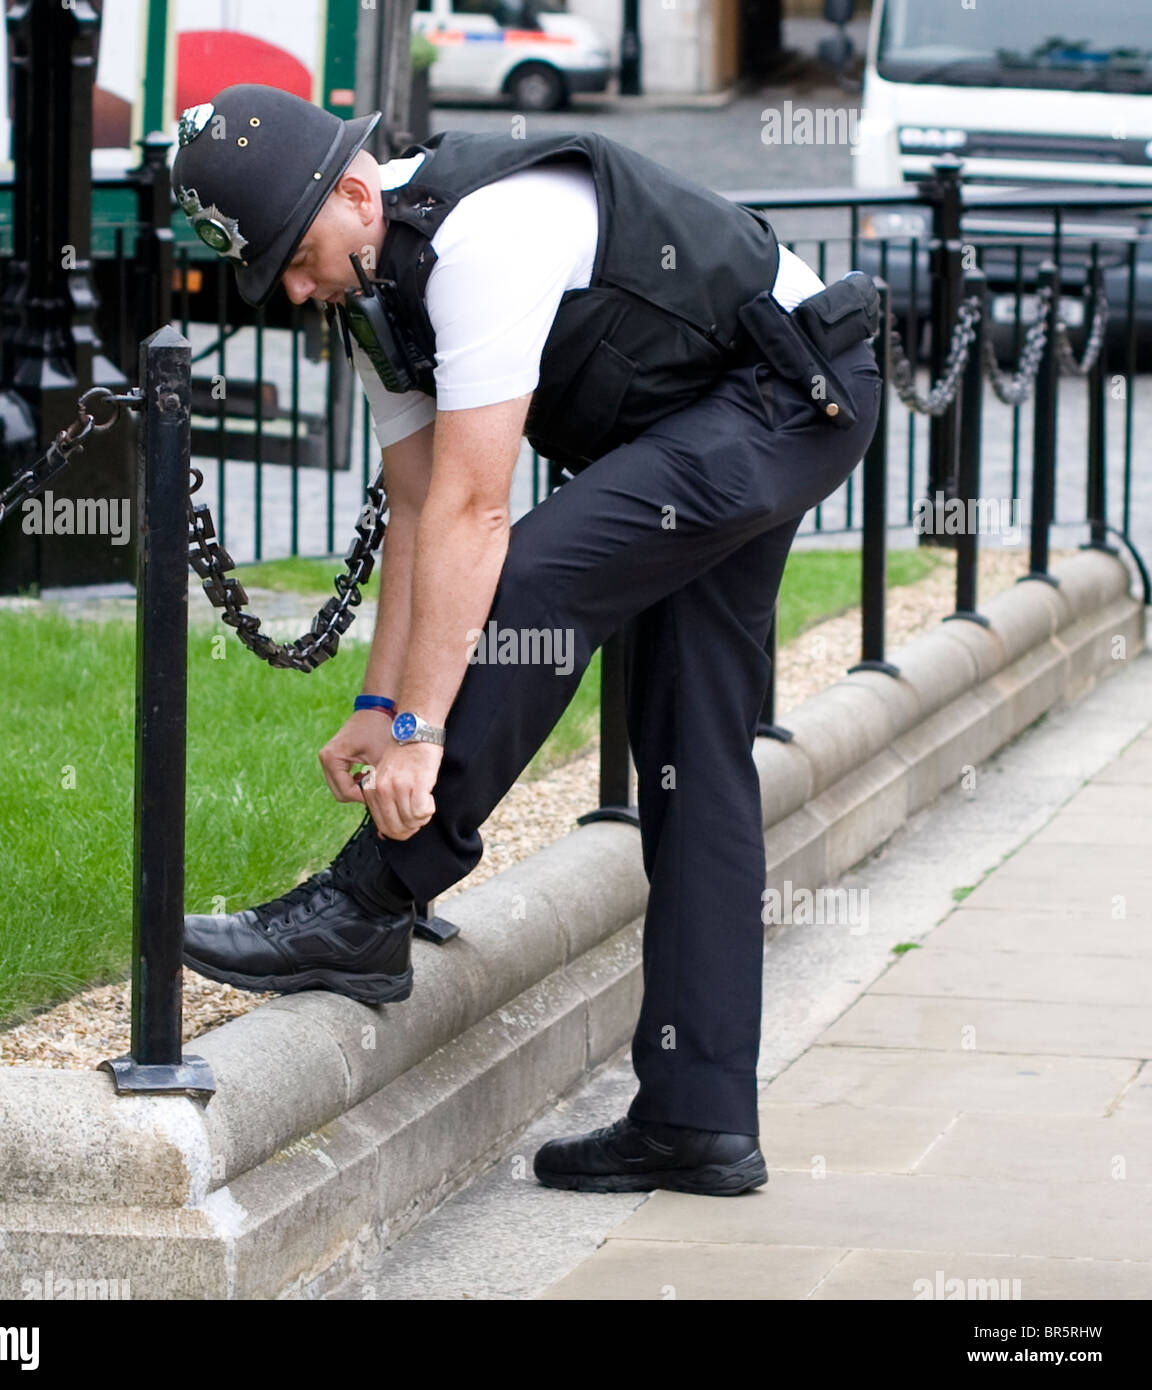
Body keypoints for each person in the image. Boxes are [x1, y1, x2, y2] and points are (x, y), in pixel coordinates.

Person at [170, 84, 883, 1197]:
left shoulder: (479, 236)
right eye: (274, 280)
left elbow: (473, 514)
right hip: (709, 421)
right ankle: (698, 1118)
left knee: (533, 577)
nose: (295, 290)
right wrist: (376, 701)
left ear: (357, 192)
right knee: (690, 752)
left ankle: (367, 902)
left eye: (294, 259)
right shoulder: (373, 295)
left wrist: (421, 731)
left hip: (787, 392)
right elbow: (413, 515)